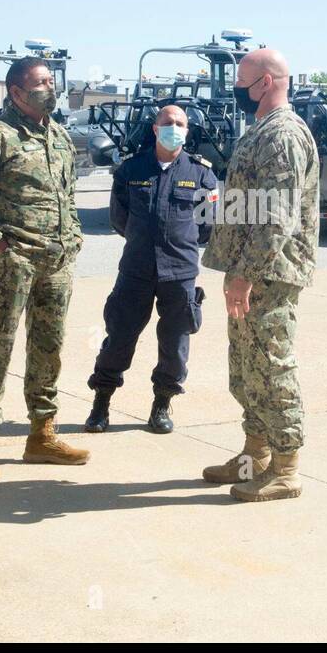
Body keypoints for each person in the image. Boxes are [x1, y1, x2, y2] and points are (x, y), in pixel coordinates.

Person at [0, 56, 87, 484]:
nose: (51, 88)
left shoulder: (60, 137)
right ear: (16, 92)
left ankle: (42, 433)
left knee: (49, 346)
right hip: (15, 263)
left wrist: (74, 236)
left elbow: (68, 195)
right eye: (41, 82)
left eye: (52, 81)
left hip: (57, 261)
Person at [201, 48, 319, 501]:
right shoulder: (261, 131)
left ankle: (286, 469)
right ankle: (255, 456)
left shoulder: (283, 135)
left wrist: (245, 275)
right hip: (249, 270)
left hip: (269, 273)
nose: (236, 90)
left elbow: (277, 216)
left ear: (266, 82)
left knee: (272, 368)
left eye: (242, 81)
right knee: (246, 369)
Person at [86, 104, 219, 433]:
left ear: (188, 132)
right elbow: (120, 219)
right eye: (168, 122)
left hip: (180, 272)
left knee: (175, 346)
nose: (174, 127)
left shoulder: (202, 173)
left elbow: (206, 226)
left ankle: (161, 405)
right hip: (136, 270)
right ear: (155, 128)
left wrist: (178, 242)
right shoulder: (131, 170)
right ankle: (101, 404)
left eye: (181, 123)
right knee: (118, 339)